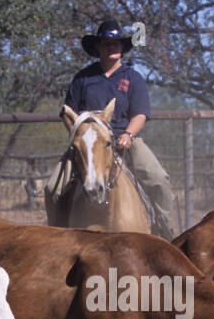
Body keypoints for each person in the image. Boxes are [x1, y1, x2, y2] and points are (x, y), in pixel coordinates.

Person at [58, 19, 176, 238]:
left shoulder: (133, 78)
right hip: (88, 143)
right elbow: (67, 112)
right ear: (97, 48)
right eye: (105, 43)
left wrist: (129, 135)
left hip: (124, 138)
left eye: (115, 43)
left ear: (122, 48)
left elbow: (140, 114)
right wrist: (78, 136)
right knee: (52, 188)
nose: (111, 47)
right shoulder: (83, 78)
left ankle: (167, 233)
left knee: (157, 178)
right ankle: (55, 237)